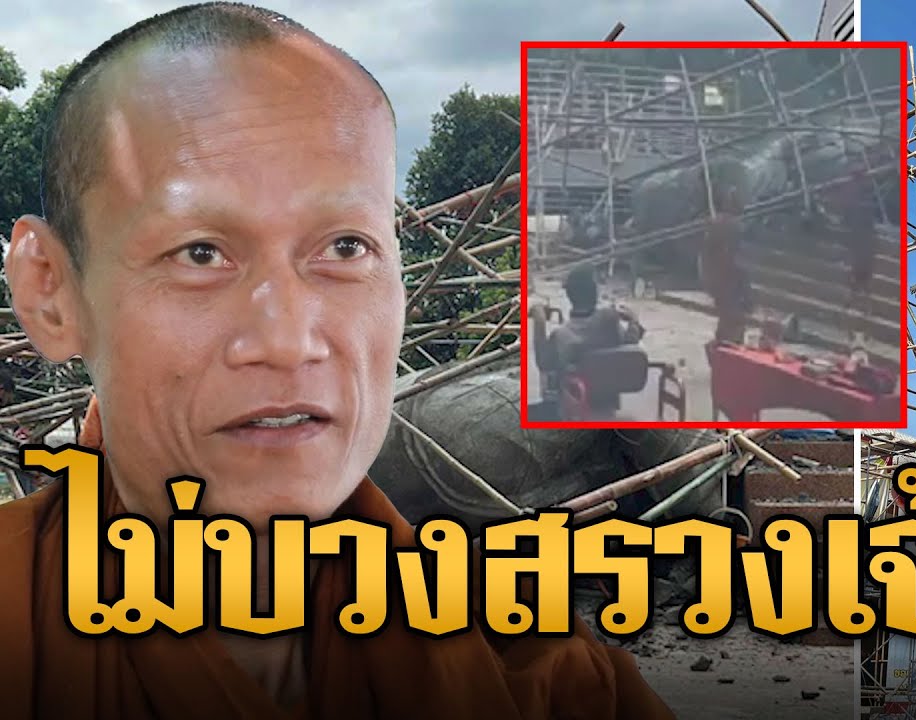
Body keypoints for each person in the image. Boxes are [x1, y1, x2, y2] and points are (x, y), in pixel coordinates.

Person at [0, 4, 674, 719]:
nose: (292, 341)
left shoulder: (545, 679)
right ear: (53, 295)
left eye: (346, 247)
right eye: (200, 253)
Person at [532, 265, 644, 419]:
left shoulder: (561, 335)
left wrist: (539, 321)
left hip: (573, 410)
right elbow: (630, 341)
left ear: (570, 295)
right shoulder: (609, 321)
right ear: (595, 292)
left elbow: (544, 363)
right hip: (607, 404)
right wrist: (633, 320)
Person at [699, 183, 752, 344]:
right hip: (730, 278)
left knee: (726, 319)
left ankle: (722, 348)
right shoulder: (735, 226)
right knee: (734, 321)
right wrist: (746, 287)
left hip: (716, 278)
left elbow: (705, 254)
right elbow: (739, 261)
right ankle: (725, 351)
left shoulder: (714, 223)